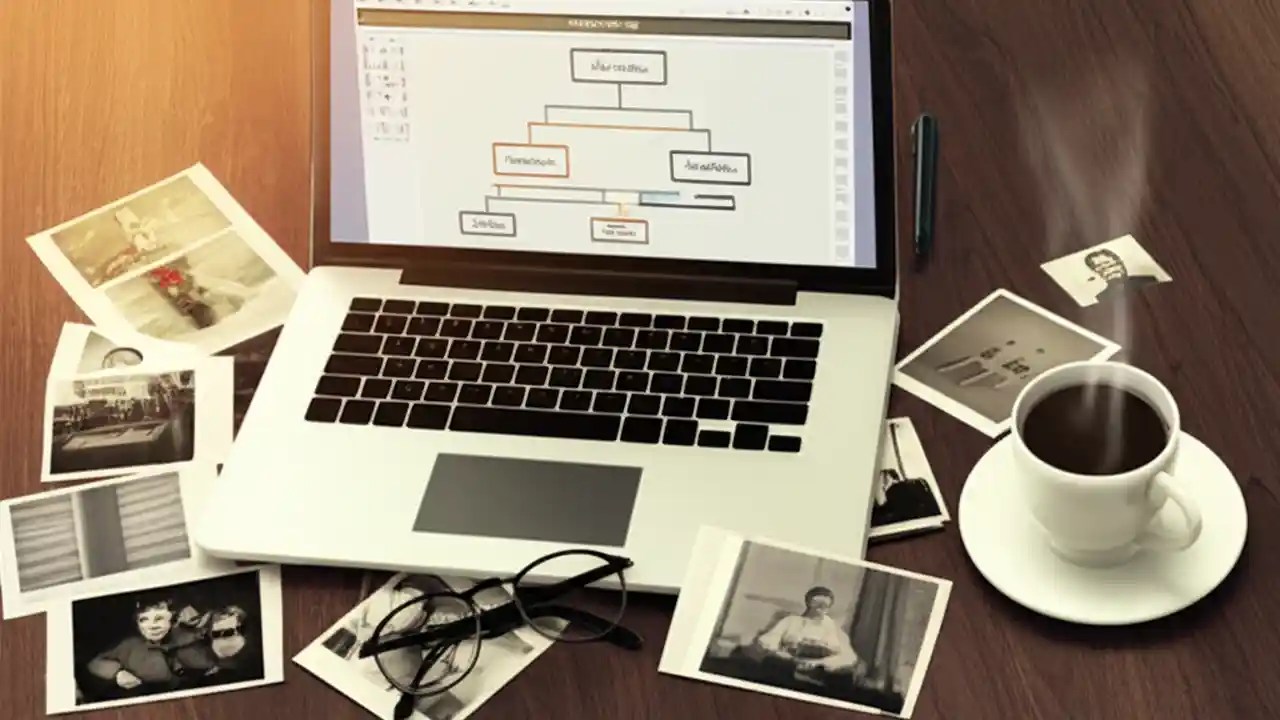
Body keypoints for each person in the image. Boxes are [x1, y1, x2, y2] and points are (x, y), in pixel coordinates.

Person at [755, 586, 860, 684]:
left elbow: (848, 656)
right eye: (816, 603)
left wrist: (821, 663)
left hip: (822, 671)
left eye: (825, 605)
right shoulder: (791, 621)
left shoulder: (833, 627)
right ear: (808, 602)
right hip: (789, 666)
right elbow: (768, 641)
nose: (820, 607)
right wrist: (785, 656)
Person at [1084, 247, 1159, 303]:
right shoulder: (1101, 297)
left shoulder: (1148, 280)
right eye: (1101, 268)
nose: (1110, 271)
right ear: (1096, 272)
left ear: (1120, 263)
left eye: (1109, 264)